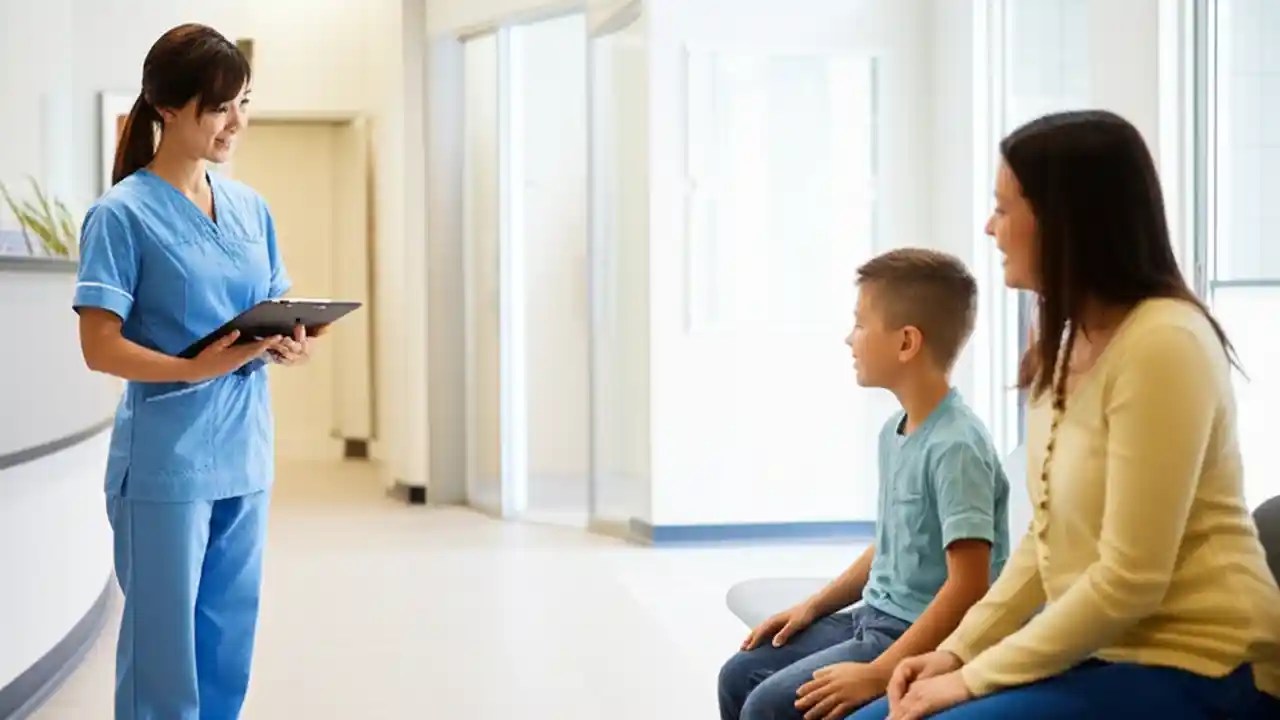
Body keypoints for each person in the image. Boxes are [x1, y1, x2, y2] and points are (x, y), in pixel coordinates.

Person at [853, 110, 1280, 720]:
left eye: (1003, 209)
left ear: (1063, 221)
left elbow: (1130, 581)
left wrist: (973, 680)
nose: (989, 227)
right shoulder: (1060, 345)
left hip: (1203, 664)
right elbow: (1041, 543)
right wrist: (956, 652)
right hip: (1099, 651)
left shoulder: (1165, 344)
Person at [73, 24, 318, 719]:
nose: (236, 121)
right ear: (167, 108)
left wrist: (290, 341)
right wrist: (192, 367)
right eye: (219, 106)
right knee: (164, 653)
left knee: (225, 640)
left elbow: (274, 307)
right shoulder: (121, 216)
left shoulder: (251, 209)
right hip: (166, 462)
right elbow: (99, 347)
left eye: (243, 101)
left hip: (245, 452)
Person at [718, 248, 1012, 720]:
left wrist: (881, 672)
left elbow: (969, 586)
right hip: (869, 619)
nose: (848, 338)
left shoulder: (957, 446)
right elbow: (891, 545)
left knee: (768, 708)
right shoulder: (896, 430)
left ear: (906, 342)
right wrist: (811, 607)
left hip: (915, 635)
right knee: (738, 674)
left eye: (859, 324)